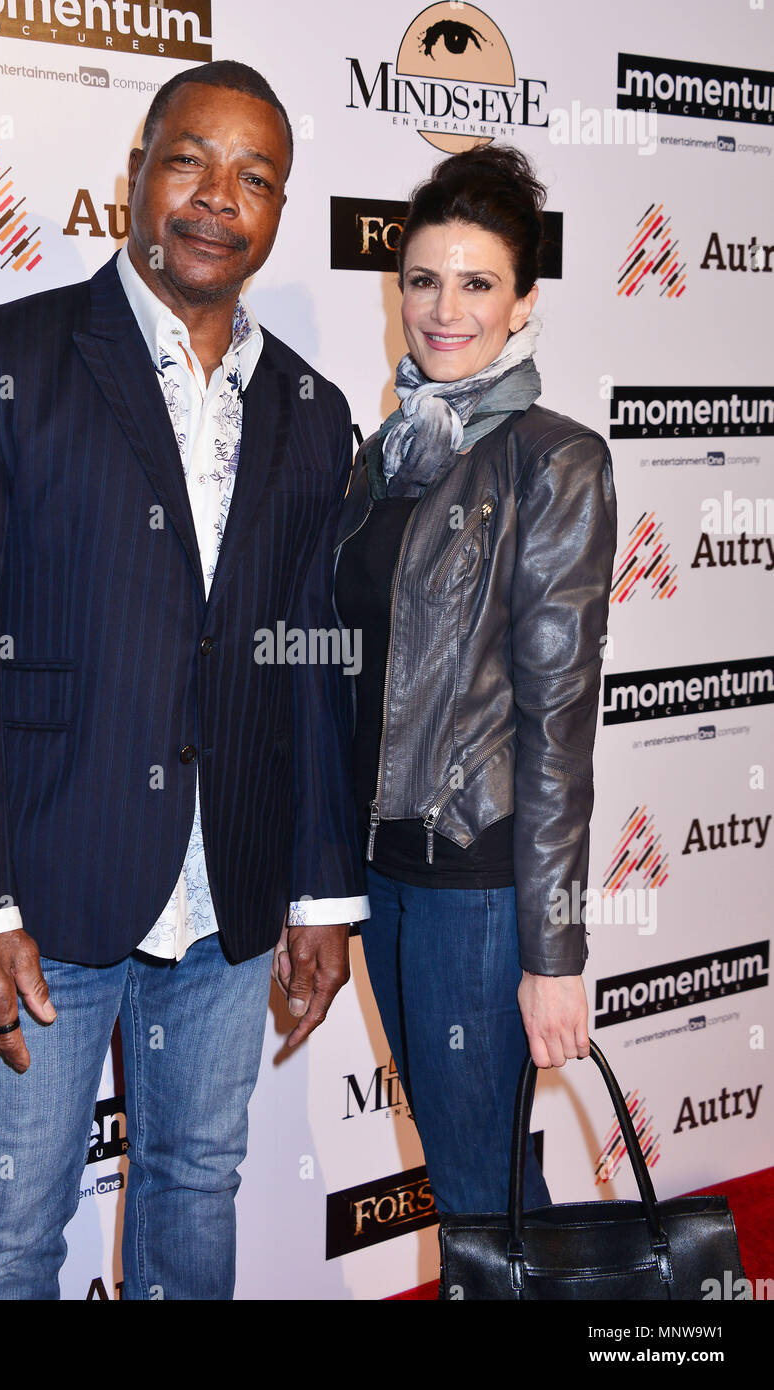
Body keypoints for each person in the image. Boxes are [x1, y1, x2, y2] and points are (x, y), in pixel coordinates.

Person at [0, 60, 368, 1300]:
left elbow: (314, 669)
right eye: (192, 161)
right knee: (3, 1238)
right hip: (35, 907)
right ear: (135, 174)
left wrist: (321, 893)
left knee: (195, 1195)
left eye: (254, 178)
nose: (217, 199)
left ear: (278, 210)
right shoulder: (0, 360)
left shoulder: (313, 411)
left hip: (229, 900)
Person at [333, 145, 618, 1217]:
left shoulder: (554, 461)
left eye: (476, 282)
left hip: (477, 886)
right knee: (483, 1187)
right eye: (421, 279)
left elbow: (556, 722)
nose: (442, 310)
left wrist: (552, 950)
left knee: (476, 1198)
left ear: (522, 301)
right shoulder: (383, 459)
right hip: (382, 879)